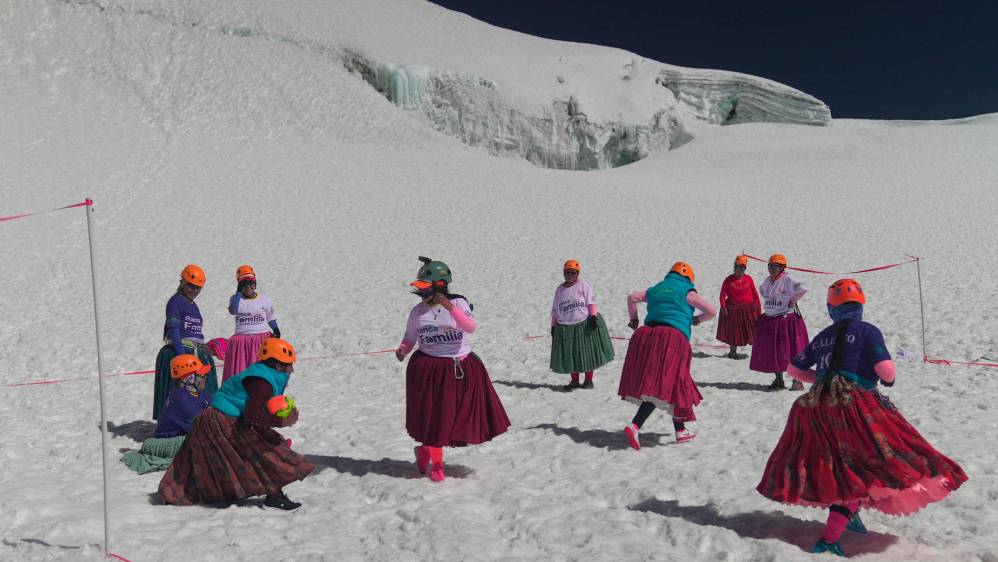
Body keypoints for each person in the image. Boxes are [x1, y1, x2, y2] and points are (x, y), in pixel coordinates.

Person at [757, 279, 968, 556]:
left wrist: (821, 379)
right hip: (853, 405)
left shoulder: (823, 336)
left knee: (836, 465)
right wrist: (883, 379)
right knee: (867, 463)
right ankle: (831, 537)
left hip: (812, 407)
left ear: (831, 309)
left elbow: (794, 370)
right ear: (860, 306)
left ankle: (850, 515)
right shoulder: (868, 331)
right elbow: (886, 370)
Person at [158, 338, 314, 510]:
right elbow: (252, 414)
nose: (291, 369)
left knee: (246, 454)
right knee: (265, 453)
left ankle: (265, 495)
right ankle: (274, 498)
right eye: (288, 365)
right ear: (277, 366)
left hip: (221, 416)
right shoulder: (263, 383)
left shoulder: (263, 375)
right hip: (220, 420)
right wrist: (282, 421)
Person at [395, 257, 511, 482]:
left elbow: (470, 326)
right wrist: (403, 350)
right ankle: (437, 465)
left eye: (425, 287)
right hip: (429, 368)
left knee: (453, 418)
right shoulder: (417, 312)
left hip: (461, 367)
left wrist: (449, 307)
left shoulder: (458, 303)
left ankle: (425, 451)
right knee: (434, 418)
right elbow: (410, 337)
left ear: (440, 285)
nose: (420, 293)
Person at [618, 262, 716, 448]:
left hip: (647, 336)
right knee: (666, 383)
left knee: (672, 382)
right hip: (672, 339)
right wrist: (697, 319)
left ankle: (680, 430)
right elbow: (711, 311)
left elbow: (632, 298)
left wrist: (634, 319)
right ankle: (635, 425)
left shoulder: (656, 290)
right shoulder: (688, 292)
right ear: (688, 278)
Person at [121, 355, 213, 474]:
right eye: (201, 374)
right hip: (169, 440)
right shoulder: (180, 399)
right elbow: (201, 426)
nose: (205, 377)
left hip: (186, 433)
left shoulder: (198, 394)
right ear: (189, 378)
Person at [153, 264, 218, 419]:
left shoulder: (193, 305)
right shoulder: (176, 301)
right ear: (182, 282)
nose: (194, 291)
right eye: (191, 286)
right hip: (180, 351)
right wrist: (181, 356)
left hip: (195, 353)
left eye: (197, 288)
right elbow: (174, 328)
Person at [550, 259, 615, 390]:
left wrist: (593, 317)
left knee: (586, 353)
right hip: (565, 327)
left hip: (582, 324)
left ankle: (588, 381)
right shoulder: (560, 289)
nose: (570, 275)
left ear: (577, 274)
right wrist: (553, 326)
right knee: (571, 355)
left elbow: (591, 302)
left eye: (573, 273)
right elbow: (555, 310)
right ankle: (574, 381)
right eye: (567, 272)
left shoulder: (583, 285)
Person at [749, 254, 808, 391]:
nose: (771, 269)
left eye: (774, 266)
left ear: (782, 267)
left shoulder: (788, 279)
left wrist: (793, 299)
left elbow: (803, 288)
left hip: (786, 319)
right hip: (771, 319)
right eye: (769, 266)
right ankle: (779, 379)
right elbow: (763, 291)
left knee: (792, 350)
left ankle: (797, 381)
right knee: (774, 352)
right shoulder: (768, 280)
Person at [223, 264, 281, 383]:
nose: (248, 287)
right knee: (242, 373)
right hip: (241, 342)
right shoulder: (235, 299)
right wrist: (239, 292)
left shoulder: (264, 299)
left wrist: (275, 329)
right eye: (244, 284)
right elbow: (233, 310)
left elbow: (270, 316)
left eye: (251, 283)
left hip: (260, 340)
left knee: (261, 373)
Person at [716, 255, 761, 359]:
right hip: (734, 310)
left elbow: (755, 294)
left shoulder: (749, 279)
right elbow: (722, 295)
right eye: (738, 267)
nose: (740, 269)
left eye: (743, 267)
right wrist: (723, 307)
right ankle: (732, 352)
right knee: (734, 332)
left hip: (749, 309)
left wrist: (758, 306)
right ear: (734, 266)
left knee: (753, 331)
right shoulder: (728, 280)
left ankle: (758, 352)